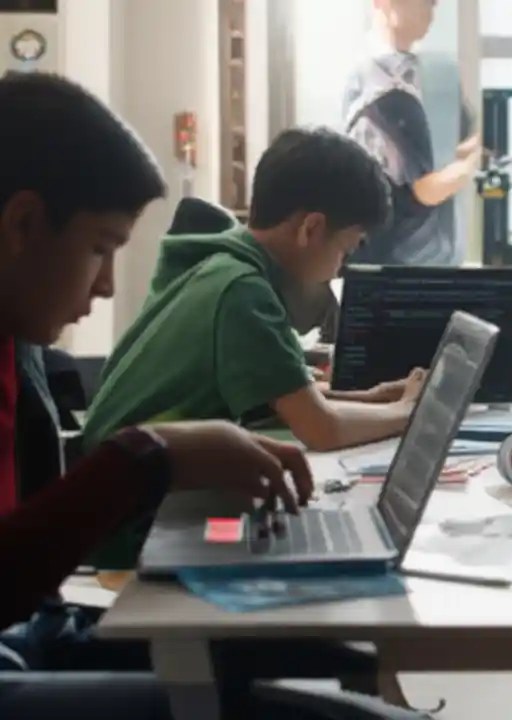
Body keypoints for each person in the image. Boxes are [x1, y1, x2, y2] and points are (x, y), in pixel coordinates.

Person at [0, 71, 421, 720]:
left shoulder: (16, 342)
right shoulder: (237, 284)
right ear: (24, 224)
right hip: (32, 635)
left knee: (342, 663)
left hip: (34, 626)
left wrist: (160, 453)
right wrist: (150, 456)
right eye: (99, 249)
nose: (108, 286)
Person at [81, 127, 433, 570]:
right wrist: (414, 413)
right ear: (312, 228)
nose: (340, 268)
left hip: (131, 499)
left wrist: (373, 398)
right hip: (136, 525)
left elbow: (284, 395)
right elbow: (320, 428)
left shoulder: (221, 263)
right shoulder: (243, 291)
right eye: (346, 250)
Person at [342, 0, 480, 267]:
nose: (429, 11)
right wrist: (470, 166)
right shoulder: (375, 85)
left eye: (432, 4)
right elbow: (425, 189)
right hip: (393, 261)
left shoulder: (434, 75)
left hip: (436, 258)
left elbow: (462, 139)